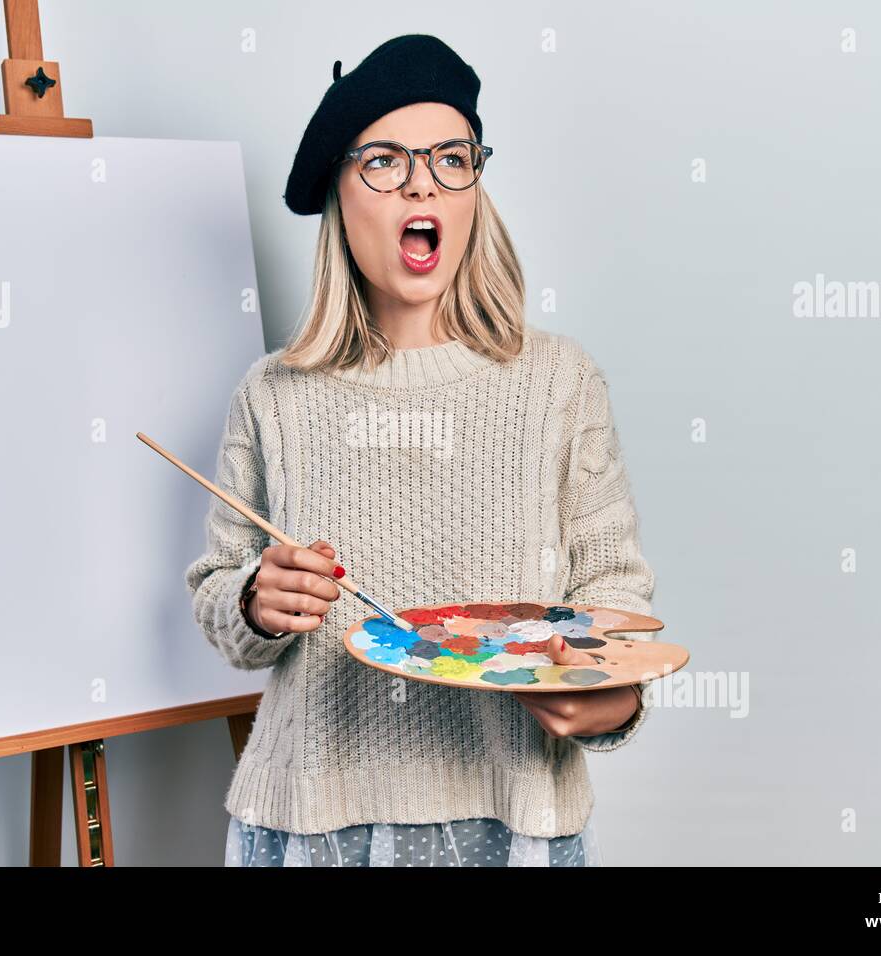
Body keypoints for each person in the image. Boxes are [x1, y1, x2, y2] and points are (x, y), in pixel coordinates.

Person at [185, 34, 656, 867]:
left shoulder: (560, 383)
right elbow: (220, 597)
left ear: (476, 187)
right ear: (340, 190)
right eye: (384, 161)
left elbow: (612, 597)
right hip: (313, 826)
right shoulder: (273, 395)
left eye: (450, 157)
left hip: (513, 818)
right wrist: (259, 599)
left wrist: (612, 698)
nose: (419, 182)